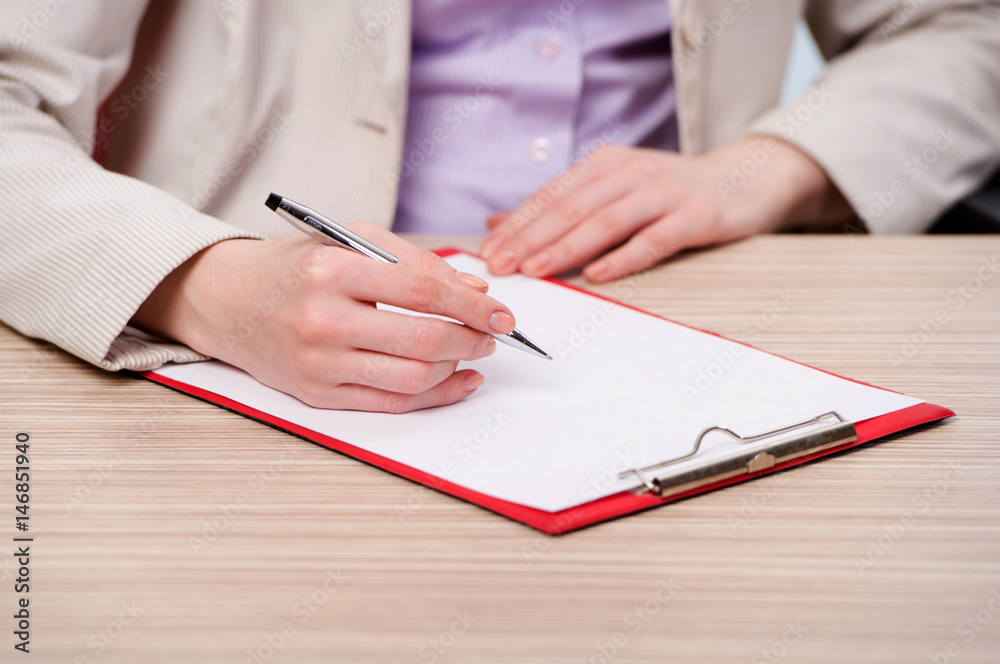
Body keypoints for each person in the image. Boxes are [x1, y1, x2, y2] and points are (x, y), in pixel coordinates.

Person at [1, 1, 998, 412]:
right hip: (245, 357)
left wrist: (761, 166)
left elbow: (960, 28)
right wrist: (199, 283)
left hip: (694, 320)